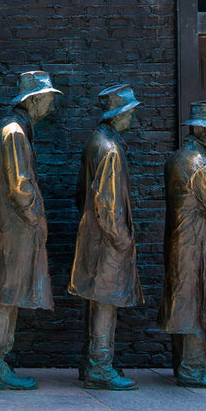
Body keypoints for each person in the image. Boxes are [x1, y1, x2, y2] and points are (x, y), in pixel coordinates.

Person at [0, 69, 61, 391]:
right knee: (6, 299)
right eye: (49, 101)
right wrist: (38, 218)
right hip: (14, 231)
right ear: (34, 100)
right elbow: (21, 187)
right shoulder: (15, 134)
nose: (51, 108)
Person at [69, 84, 142, 391]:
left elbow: (80, 194)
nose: (133, 119)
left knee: (98, 302)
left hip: (94, 237)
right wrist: (122, 238)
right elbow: (109, 204)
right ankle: (101, 366)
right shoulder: (110, 149)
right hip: (108, 242)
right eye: (131, 113)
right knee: (105, 303)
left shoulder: (95, 142)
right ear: (119, 115)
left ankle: (93, 363)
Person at [161, 100, 206, 389]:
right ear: (204, 131)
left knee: (184, 303)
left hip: (181, 242)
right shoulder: (201, 166)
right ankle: (194, 370)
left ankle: (184, 365)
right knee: (199, 305)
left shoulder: (178, 157)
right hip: (199, 246)